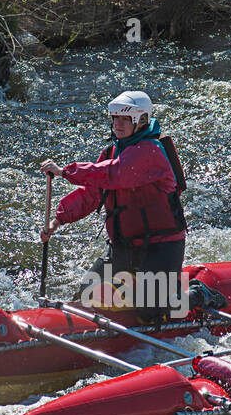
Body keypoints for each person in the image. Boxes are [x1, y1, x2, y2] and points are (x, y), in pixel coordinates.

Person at [40, 90, 187, 322]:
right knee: (86, 295)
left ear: (141, 121)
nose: (117, 124)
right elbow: (92, 194)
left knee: (150, 311)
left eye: (125, 119)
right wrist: (57, 220)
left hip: (161, 246)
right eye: (115, 118)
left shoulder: (151, 152)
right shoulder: (112, 151)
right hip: (124, 246)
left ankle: (194, 293)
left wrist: (65, 172)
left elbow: (114, 174)